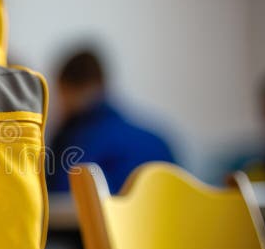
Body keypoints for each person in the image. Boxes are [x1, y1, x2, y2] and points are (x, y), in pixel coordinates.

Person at [46, 48, 175, 194]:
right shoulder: (158, 141)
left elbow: (61, 199)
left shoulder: (77, 143)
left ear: (66, 89)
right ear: (103, 83)